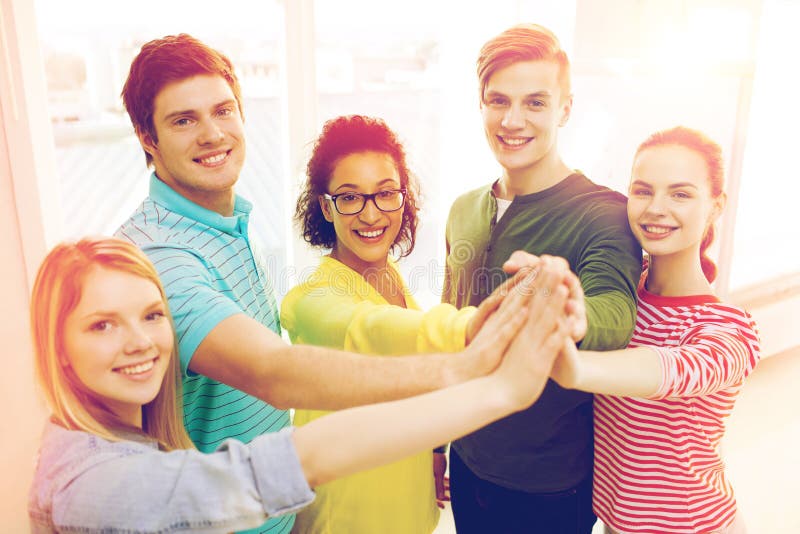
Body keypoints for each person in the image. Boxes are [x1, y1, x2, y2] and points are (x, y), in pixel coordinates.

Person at [114, 34, 536, 534]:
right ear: (147, 137)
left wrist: (435, 448)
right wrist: (467, 344)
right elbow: (279, 368)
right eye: (183, 120)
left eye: (222, 110)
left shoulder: (227, 226)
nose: (211, 134)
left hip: (276, 511)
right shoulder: (159, 256)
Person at [27, 237, 572, 533]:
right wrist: (487, 381)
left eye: (151, 316)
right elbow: (292, 458)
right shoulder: (90, 487)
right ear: (58, 349)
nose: (139, 342)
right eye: (101, 325)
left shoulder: (112, 440)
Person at [441, 23, 642, 533]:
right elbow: (448, 329)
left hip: (548, 483)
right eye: (498, 101)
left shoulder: (604, 215)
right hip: (466, 457)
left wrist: (572, 311)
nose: (512, 120)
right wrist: (436, 446)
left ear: (565, 109)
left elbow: (613, 313)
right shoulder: (464, 208)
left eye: (534, 102)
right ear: (481, 104)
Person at [282, 115, 517, 533]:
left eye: (385, 193)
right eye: (350, 197)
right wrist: (472, 326)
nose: (371, 215)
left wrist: (432, 448)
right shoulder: (312, 302)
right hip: (349, 516)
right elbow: (372, 326)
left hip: (406, 510)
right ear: (325, 206)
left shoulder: (388, 273)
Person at [550, 126, 761, 534]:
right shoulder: (621, 294)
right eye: (643, 191)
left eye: (680, 194)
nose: (656, 208)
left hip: (694, 526)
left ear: (716, 206)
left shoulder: (731, 329)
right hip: (615, 523)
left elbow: (668, 370)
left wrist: (568, 364)